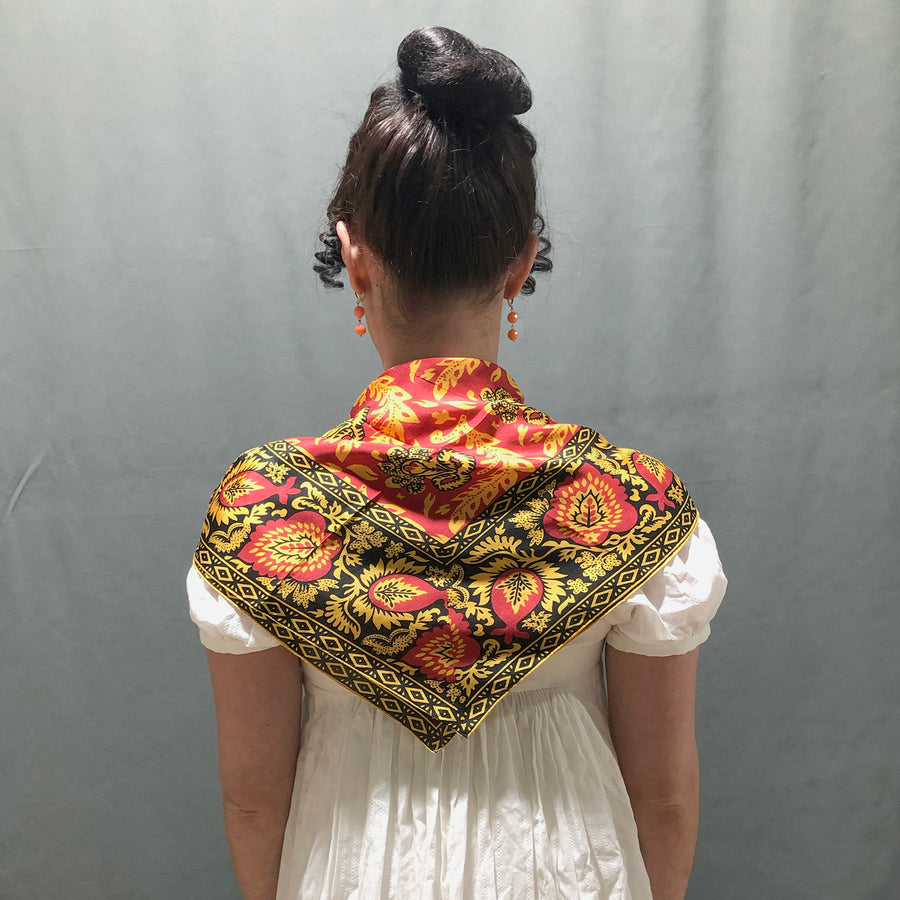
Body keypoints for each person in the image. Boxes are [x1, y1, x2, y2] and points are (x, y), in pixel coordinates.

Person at [186, 26, 726, 900]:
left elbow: (254, 804)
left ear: (355, 257)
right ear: (519, 265)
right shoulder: (626, 498)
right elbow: (663, 797)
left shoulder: (268, 509)